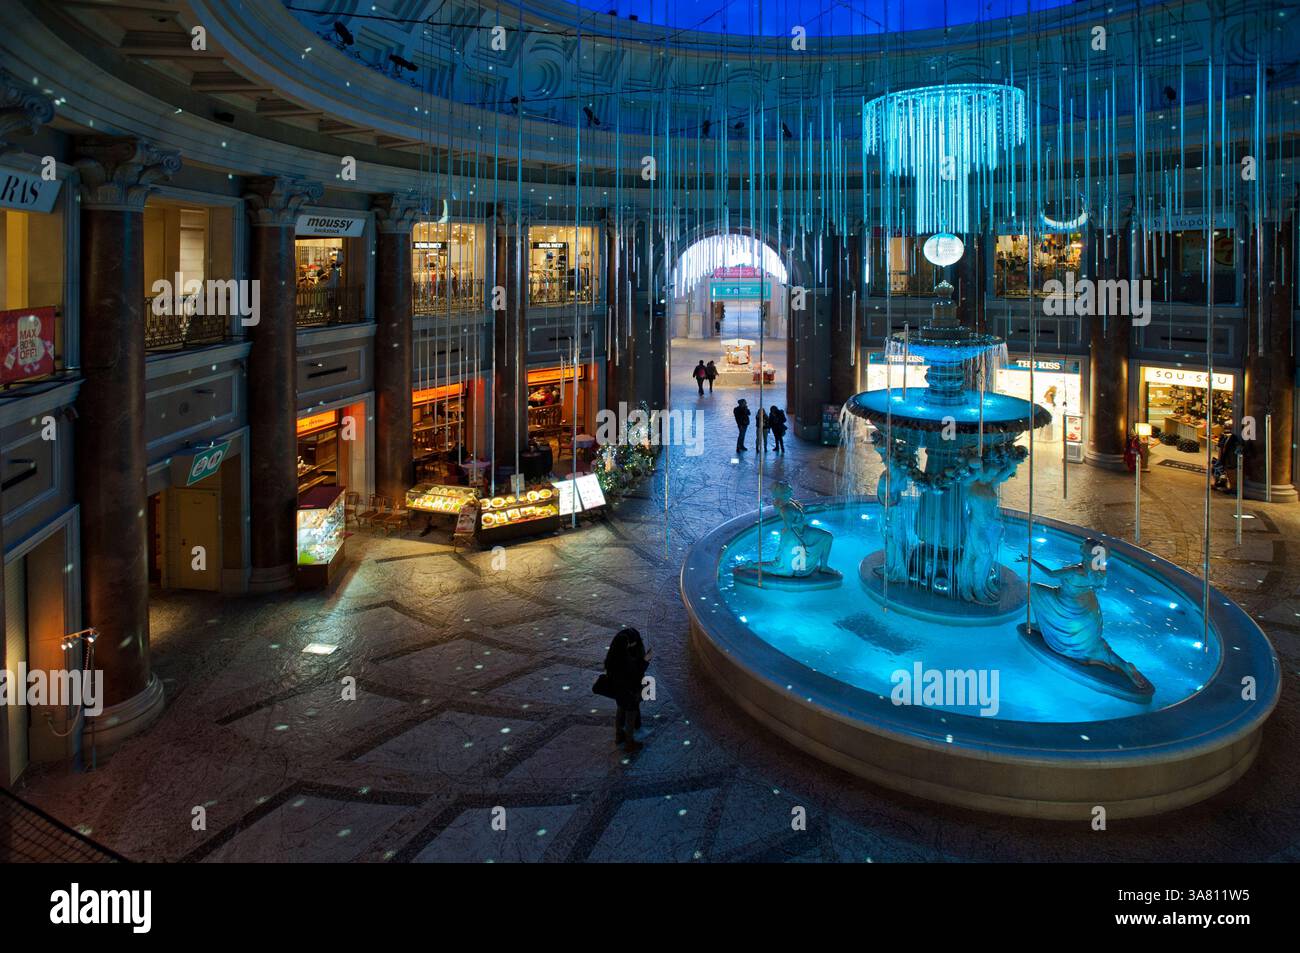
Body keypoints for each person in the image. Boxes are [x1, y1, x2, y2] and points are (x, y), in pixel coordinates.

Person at [603, 628, 651, 748]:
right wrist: (645, 660)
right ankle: (630, 742)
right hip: (629, 689)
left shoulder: (614, 655)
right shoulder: (625, 659)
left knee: (620, 708)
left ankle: (619, 736)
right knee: (630, 712)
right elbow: (636, 672)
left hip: (618, 689)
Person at [1214, 425, 1243, 492]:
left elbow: (1221, 451)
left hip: (1230, 460)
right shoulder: (1232, 439)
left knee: (1228, 470)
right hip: (1230, 459)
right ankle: (1228, 484)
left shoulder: (1231, 439)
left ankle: (1230, 485)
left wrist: (1220, 460)